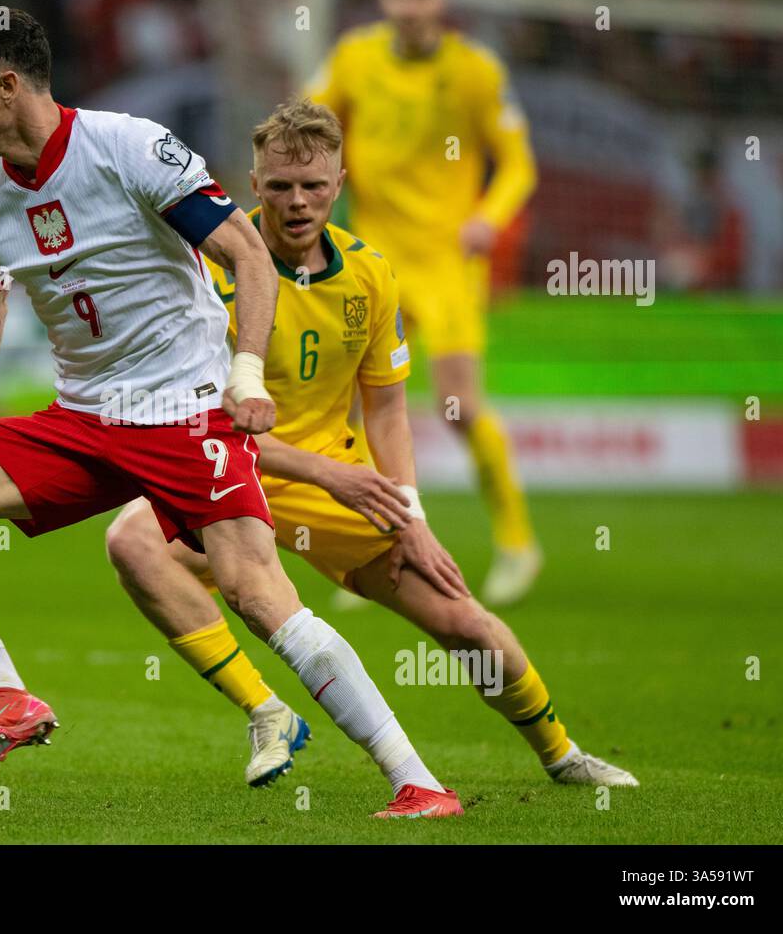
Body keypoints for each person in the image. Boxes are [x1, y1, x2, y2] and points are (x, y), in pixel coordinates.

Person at [0, 7, 462, 817]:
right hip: (81, 417)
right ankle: (3, 691)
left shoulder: (128, 147)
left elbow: (248, 254)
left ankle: (415, 779)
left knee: (258, 593)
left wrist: (246, 375)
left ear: (7, 87)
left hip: (184, 411)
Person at [106, 98, 638, 791]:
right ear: (253, 183)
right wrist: (332, 475)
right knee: (133, 540)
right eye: (280, 186)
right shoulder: (207, 278)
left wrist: (410, 517)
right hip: (228, 473)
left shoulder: (370, 275)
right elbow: (197, 419)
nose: (298, 202)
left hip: (339, 483)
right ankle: (264, 709)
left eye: (314, 186)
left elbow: (386, 409)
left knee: (466, 624)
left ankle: (562, 754)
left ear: (340, 182)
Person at [308, 0, 542, 605]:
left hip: (446, 262)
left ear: (442, 2)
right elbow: (310, 124)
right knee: (351, 408)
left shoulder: (475, 70)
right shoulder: (355, 57)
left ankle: (518, 543)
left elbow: (518, 163)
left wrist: (488, 218)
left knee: (459, 408)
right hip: (377, 261)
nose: (410, 7)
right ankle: (367, 549)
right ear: (385, 3)